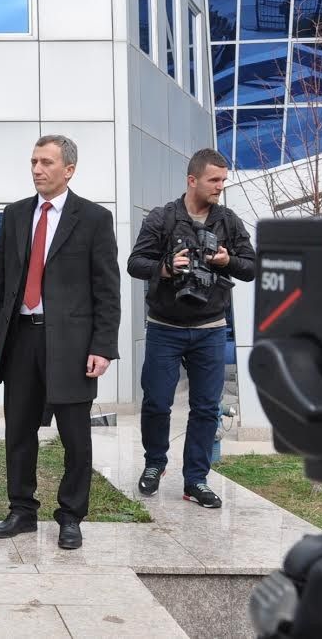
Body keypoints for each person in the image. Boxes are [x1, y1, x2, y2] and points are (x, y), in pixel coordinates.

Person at [0, 135, 121, 550]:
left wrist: (102, 346)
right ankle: (21, 510)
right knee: (18, 432)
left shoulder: (93, 218)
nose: (37, 169)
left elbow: (107, 291)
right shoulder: (16, 214)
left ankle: (71, 516)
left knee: (76, 438)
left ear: (69, 170)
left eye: (46, 162)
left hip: (72, 347)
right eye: (34, 161)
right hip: (20, 339)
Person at [127, 148, 255, 509]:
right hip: (164, 327)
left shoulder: (228, 221)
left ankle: (195, 480)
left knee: (205, 408)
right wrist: (167, 267)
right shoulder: (162, 217)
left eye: (223, 180)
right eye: (214, 180)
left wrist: (228, 259)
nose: (220, 187)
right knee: (156, 402)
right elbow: (136, 263)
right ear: (192, 180)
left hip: (211, 328)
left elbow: (251, 267)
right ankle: (155, 464)